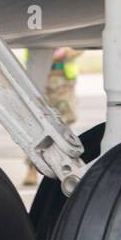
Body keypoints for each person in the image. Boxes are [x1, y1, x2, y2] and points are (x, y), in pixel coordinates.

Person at [23, 46, 81, 186]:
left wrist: (67, 50)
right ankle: (32, 168)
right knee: (36, 123)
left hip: (63, 80)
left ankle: (67, 167)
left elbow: (79, 48)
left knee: (64, 125)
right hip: (42, 79)